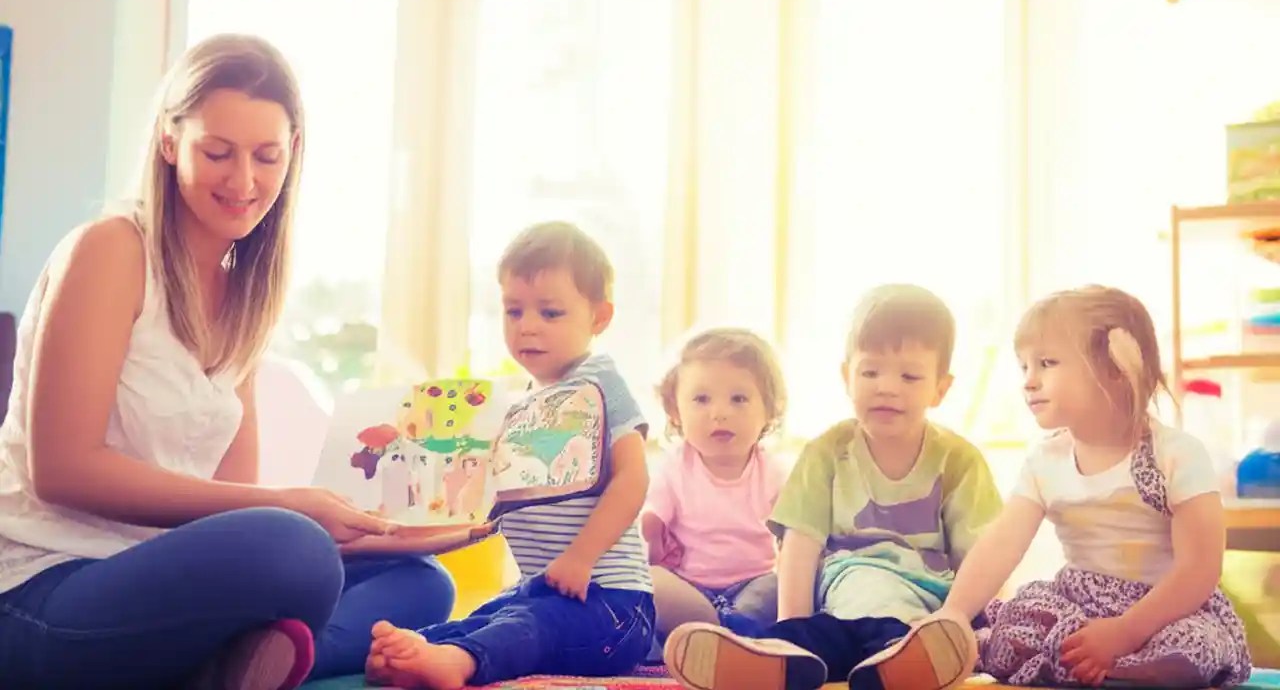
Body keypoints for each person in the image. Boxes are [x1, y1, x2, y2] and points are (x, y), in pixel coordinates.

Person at [0, 34, 458, 690]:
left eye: (266, 157)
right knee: (292, 550)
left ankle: (232, 665)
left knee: (419, 582)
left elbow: (231, 503)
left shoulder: (244, 290)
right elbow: (60, 470)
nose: (244, 182)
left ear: (292, 153)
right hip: (41, 592)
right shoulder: (111, 250)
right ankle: (227, 663)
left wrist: (385, 529)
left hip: (153, 581)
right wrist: (290, 511)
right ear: (168, 141)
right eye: (217, 153)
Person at [905, 286, 1252, 688]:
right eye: (1024, 367)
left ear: (1116, 367)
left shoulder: (1175, 454)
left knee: (1194, 643)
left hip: (1166, 607)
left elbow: (1200, 569)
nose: (1029, 382)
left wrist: (1125, 631)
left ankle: (1133, 669)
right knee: (1022, 623)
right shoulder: (1044, 462)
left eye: (1047, 363)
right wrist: (952, 615)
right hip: (1080, 601)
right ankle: (973, 650)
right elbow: (1000, 546)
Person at [663, 284, 1003, 690]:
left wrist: (955, 621)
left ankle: (899, 668)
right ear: (847, 376)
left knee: (902, 642)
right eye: (870, 372)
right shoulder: (827, 452)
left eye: (909, 376)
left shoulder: (959, 461)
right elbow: (799, 544)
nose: (887, 387)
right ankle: (777, 661)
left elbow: (983, 557)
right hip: (837, 609)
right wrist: (792, 626)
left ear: (940, 388)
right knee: (799, 640)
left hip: (918, 616)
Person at [364, 222, 655, 689]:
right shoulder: (517, 406)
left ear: (599, 318)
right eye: (513, 311)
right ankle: (419, 649)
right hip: (544, 591)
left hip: (613, 604)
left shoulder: (599, 384)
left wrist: (581, 557)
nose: (528, 327)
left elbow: (634, 479)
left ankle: (456, 663)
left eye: (551, 312)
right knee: (485, 617)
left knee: (527, 626)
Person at [643, 327, 788, 639]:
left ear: (770, 410)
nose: (720, 413)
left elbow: (794, 535)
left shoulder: (773, 471)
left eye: (739, 399)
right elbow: (651, 523)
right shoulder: (673, 467)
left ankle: (720, 635)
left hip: (754, 585)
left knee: (787, 584)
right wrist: (654, 543)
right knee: (650, 580)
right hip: (690, 588)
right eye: (701, 399)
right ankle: (720, 632)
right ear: (674, 411)